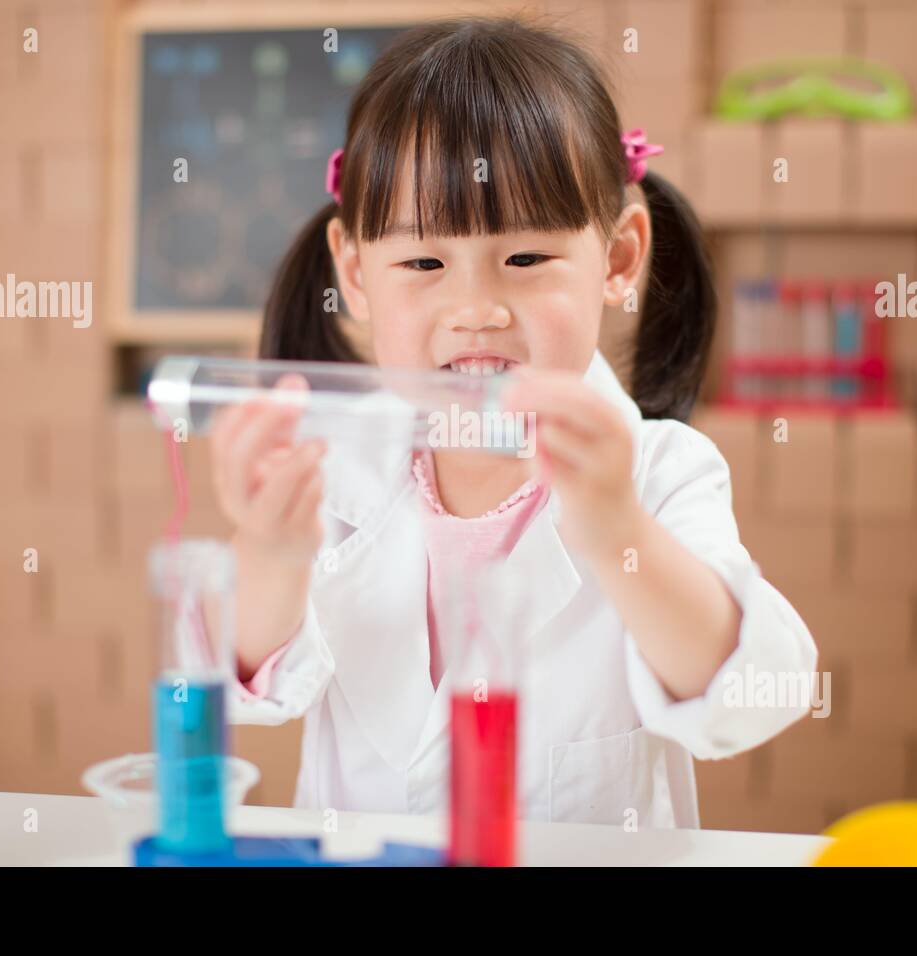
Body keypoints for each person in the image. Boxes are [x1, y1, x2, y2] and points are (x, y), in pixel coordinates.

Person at [204, 16, 816, 828]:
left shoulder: (663, 472)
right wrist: (270, 551)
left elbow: (752, 693)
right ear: (354, 273)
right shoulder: (329, 464)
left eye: (526, 260)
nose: (477, 310)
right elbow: (239, 689)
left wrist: (614, 529)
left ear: (621, 256)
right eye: (422, 263)